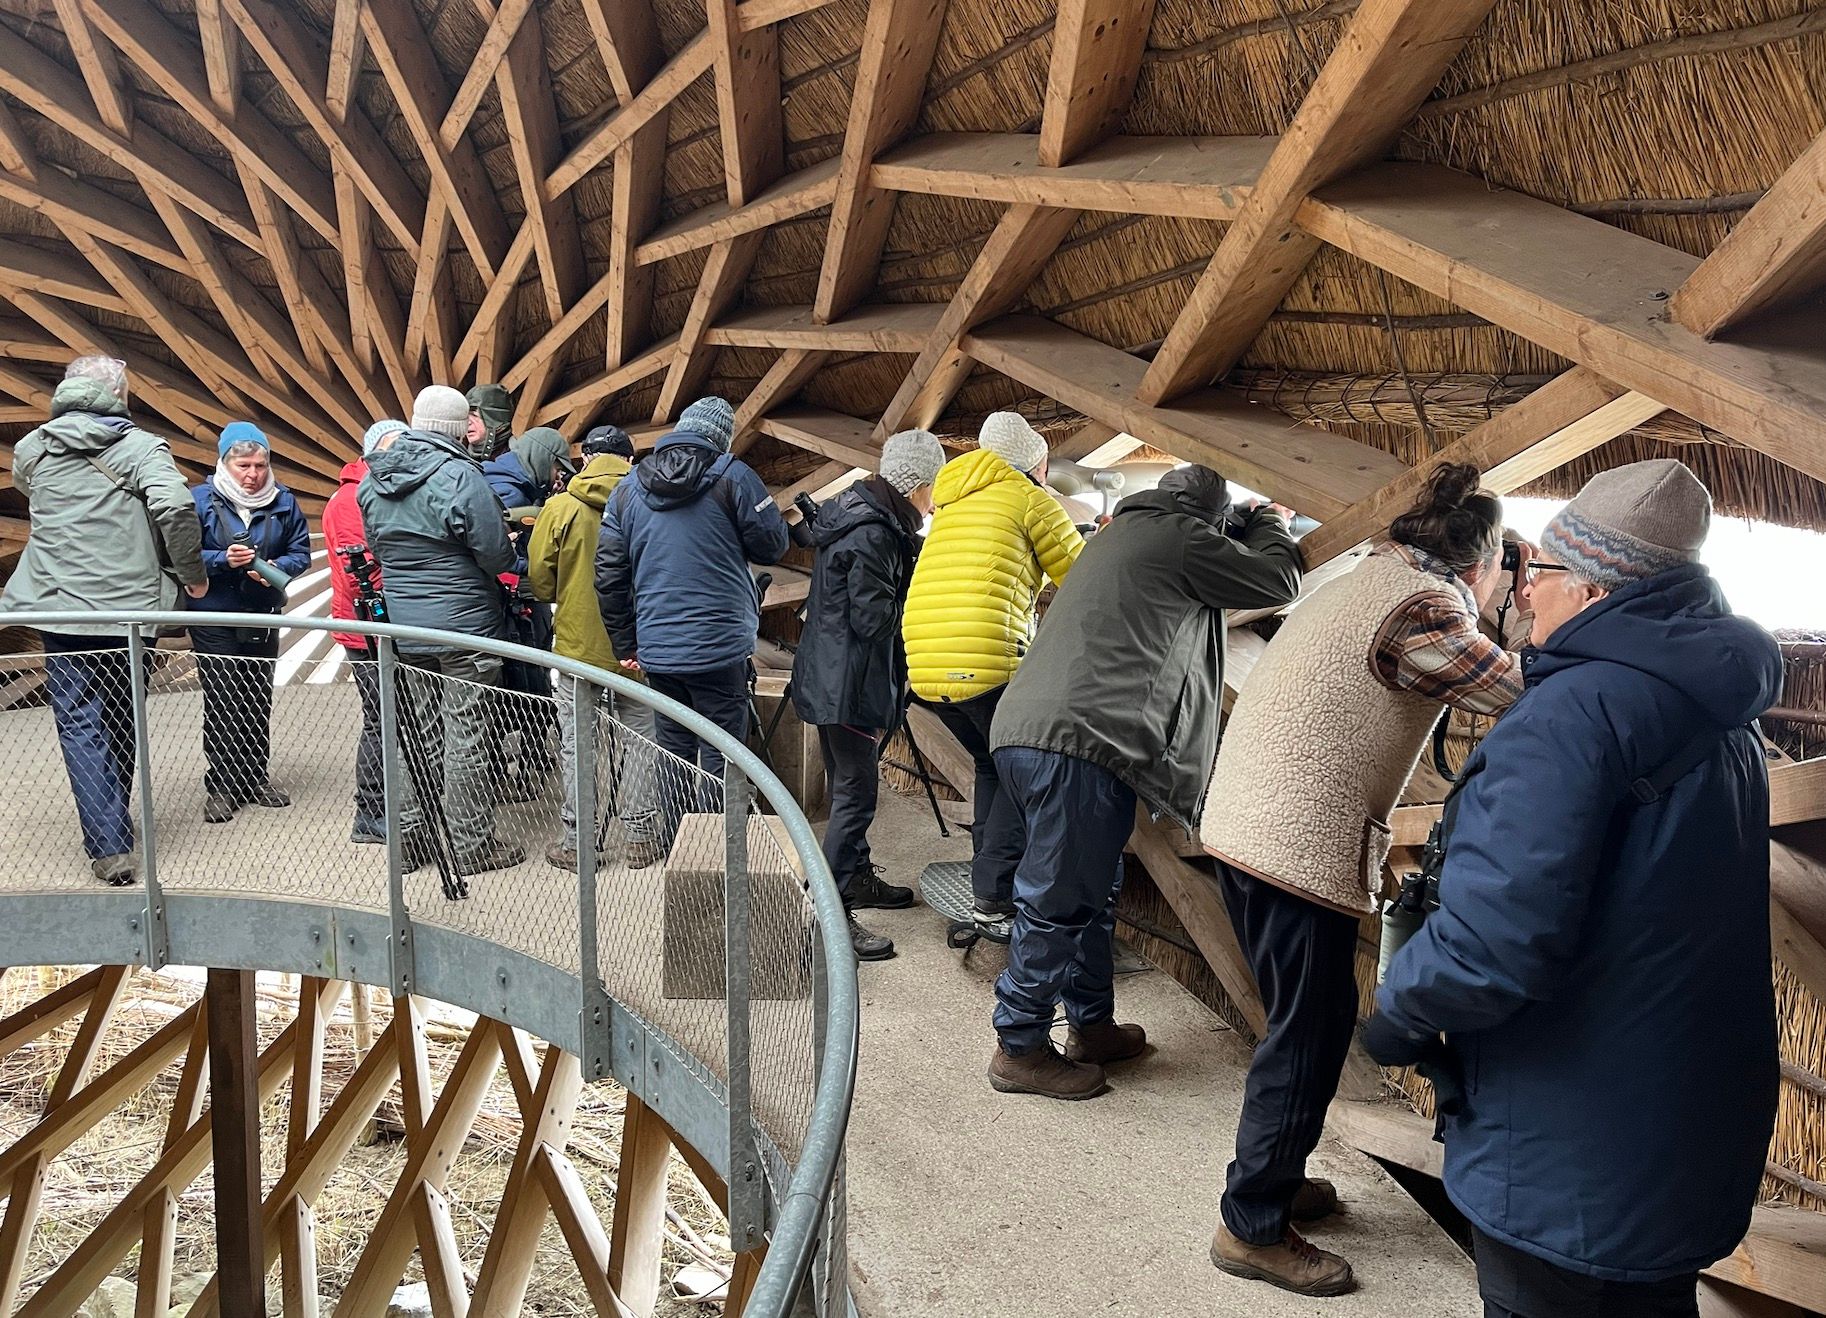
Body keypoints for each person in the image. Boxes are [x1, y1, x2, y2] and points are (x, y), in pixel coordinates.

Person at [1366, 460, 1781, 1318]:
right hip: (1678, 1122)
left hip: (1569, 1141)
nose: (1523, 594)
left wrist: (1398, 1014)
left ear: (1593, 591)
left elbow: (1492, 941)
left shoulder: (1570, 718)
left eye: (1539, 573)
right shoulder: (1724, 714)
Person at [1200, 463, 1523, 1297]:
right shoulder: (1428, 608)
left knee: (1300, 1022)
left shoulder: (1371, 575)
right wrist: (1528, 626)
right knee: (1309, 1032)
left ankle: (1272, 1174)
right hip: (1293, 842)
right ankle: (1253, 1226)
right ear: (1484, 564)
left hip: (1246, 826)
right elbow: (1517, 691)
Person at [986, 466, 1302, 1099]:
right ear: (1209, 519)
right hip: (1078, 740)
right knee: (1060, 900)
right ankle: (1018, 1048)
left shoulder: (1122, 533)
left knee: (1091, 891)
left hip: (1037, 731)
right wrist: (1270, 522)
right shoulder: (1180, 538)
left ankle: (1092, 1025)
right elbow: (1277, 579)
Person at [0, 356, 207, 884]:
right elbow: (177, 507)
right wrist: (192, 574)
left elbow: (31, 489)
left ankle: (108, 839)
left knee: (77, 721)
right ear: (119, 394)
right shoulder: (141, 448)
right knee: (121, 713)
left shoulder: (33, 449)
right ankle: (112, 828)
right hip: (128, 611)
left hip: (60, 606)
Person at [901, 411, 1084, 941]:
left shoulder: (952, 504)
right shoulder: (1030, 499)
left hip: (926, 665)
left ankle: (986, 881)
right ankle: (994, 898)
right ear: (1034, 463)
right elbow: (1080, 578)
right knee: (1016, 777)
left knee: (989, 765)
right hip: (984, 661)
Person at [595, 396, 789, 864]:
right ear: (721, 438)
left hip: (658, 648)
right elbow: (774, 544)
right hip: (721, 647)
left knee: (674, 746)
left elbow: (608, 574)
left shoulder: (626, 489)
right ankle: (710, 852)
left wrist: (626, 643)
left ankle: (675, 843)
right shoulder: (733, 476)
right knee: (722, 748)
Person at [792, 429, 949, 961]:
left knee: (846, 786)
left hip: (831, 675)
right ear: (916, 486)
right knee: (856, 795)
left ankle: (854, 877)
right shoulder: (875, 534)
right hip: (851, 684)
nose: (933, 502)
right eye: (932, 489)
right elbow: (874, 617)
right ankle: (827, 914)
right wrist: (924, 594)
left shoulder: (856, 514)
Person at [360, 385, 524, 876]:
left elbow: (378, 548)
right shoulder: (460, 477)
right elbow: (496, 556)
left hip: (405, 627)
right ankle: (471, 844)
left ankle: (412, 839)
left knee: (418, 734)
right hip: (466, 629)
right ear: (458, 429)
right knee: (466, 739)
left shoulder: (373, 481)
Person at [527, 423, 661, 871]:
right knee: (642, 740)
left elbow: (541, 580)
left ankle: (579, 842)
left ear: (585, 461)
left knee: (578, 746)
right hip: (636, 647)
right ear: (629, 461)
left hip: (577, 646)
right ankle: (641, 838)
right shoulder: (649, 503)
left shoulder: (560, 507)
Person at [188, 422, 312, 825]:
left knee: (257, 695)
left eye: (260, 464)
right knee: (223, 698)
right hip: (215, 614)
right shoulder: (200, 501)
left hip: (262, 611)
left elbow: (300, 552)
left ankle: (255, 776)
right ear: (224, 463)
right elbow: (180, 555)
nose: (253, 474)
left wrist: (278, 566)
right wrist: (223, 560)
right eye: (243, 465)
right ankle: (223, 785)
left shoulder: (284, 501)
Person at [322, 418, 407, 844]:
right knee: (381, 720)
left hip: (378, 624)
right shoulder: (349, 500)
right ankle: (371, 814)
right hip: (366, 629)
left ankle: (391, 808)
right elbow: (361, 575)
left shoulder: (373, 491)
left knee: (393, 719)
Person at [484, 425, 572, 795]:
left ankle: (522, 759)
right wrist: (530, 571)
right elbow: (502, 551)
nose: (558, 476)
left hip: (517, 597)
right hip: (513, 598)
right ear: (542, 460)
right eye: (557, 468)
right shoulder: (509, 490)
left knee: (523, 678)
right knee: (519, 681)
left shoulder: (512, 481)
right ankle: (505, 770)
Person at [466, 382, 514, 463]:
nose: (468, 423)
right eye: (466, 417)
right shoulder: (457, 458)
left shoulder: (518, 459)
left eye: (475, 415)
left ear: (494, 419)